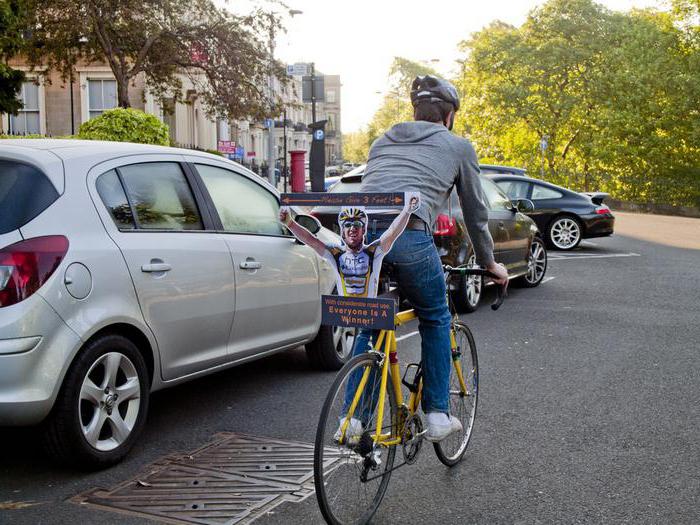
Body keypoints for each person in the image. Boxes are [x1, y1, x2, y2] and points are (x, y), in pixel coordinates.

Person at [358, 75, 508, 443]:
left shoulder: (381, 141)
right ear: (449, 115)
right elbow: (475, 214)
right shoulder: (457, 146)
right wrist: (490, 264)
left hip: (358, 239)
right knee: (436, 314)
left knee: (371, 324)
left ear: (415, 110)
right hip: (407, 235)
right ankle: (438, 415)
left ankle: (353, 421)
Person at [279, 194, 419, 299]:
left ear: (363, 230)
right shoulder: (335, 254)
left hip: (369, 314)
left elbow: (392, 233)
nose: (352, 228)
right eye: (347, 224)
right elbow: (310, 239)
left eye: (357, 224)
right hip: (347, 313)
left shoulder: (373, 252)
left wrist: (407, 211)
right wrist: (289, 223)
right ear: (342, 231)